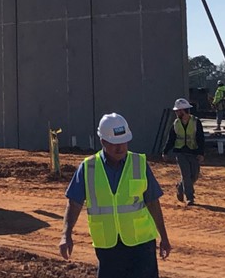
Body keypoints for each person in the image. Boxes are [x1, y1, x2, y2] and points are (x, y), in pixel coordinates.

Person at [59, 113, 172, 277]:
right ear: (103, 141)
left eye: (123, 142)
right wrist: (66, 234)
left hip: (141, 243)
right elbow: (74, 203)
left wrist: (164, 237)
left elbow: (153, 202)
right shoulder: (88, 168)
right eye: (114, 143)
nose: (120, 148)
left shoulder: (139, 163)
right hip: (108, 245)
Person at [163, 98, 206, 206]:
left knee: (194, 175)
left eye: (178, 111)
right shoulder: (176, 123)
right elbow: (171, 139)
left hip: (193, 152)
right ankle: (190, 197)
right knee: (186, 175)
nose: (176, 113)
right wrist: (165, 151)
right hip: (180, 152)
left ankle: (180, 187)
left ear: (184, 110)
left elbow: (201, 138)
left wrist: (201, 153)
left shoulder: (196, 122)